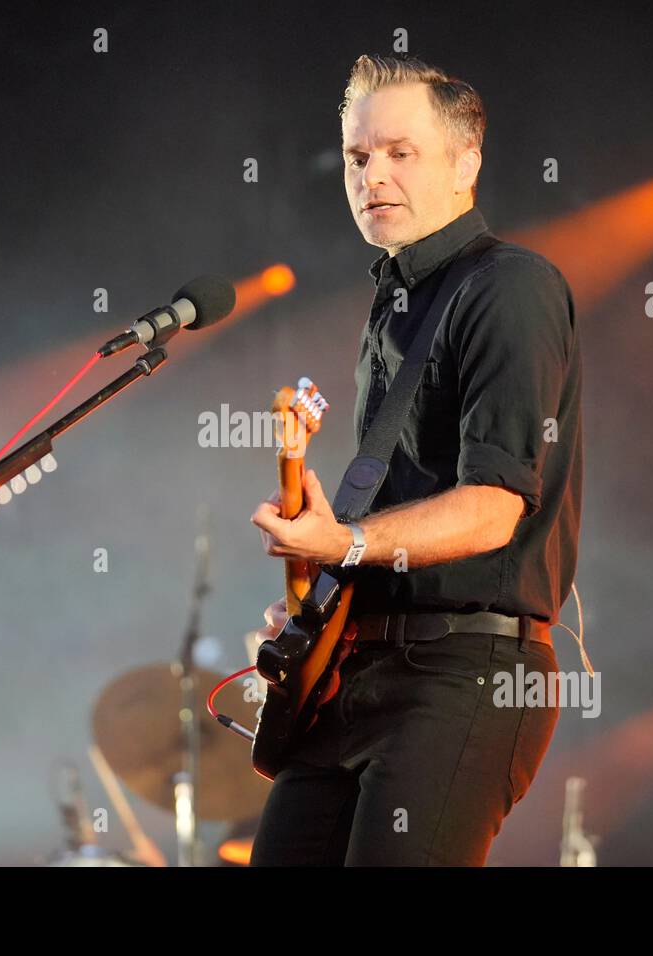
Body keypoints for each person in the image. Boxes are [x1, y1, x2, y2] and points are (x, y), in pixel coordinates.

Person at [247, 53, 582, 866]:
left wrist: (341, 545)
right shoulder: (394, 307)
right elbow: (391, 519)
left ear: (467, 161)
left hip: (466, 670)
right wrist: (321, 606)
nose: (373, 175)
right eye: (359, 158)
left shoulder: (510, 286)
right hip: (360, 669)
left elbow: (495, 505)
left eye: (401, 152)